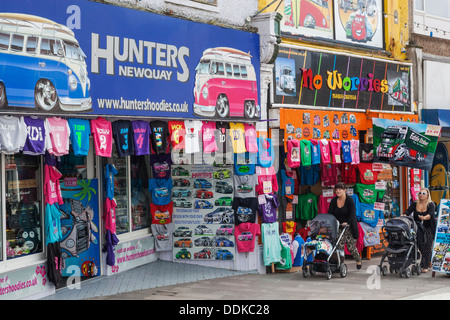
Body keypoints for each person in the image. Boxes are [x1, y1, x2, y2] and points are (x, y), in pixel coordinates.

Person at [327, 182, 362, 269]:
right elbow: (330, 213)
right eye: (336, 189)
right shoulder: (334, 201)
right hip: (338, 226)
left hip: (348, 226)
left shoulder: (349, 200)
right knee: (339, 245)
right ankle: (340, 263)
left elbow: (353, 213)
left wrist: (348, 223)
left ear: (344, 190)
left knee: (351, 247)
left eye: (340, 189)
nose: (338, 191)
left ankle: (358, 260)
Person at [402, 187, 436, 273]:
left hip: (428, 227)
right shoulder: (415, 203)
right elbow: (408, 211)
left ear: (427, 195)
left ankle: (425, 266)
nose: (421, 195)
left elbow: (431, 215)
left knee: (427, 246)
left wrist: (424, 217)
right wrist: (404, 216)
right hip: (417, 227)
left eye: (423, 193)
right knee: (419, 245)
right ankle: (429, 260)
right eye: (420, 193)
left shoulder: (430, 204)